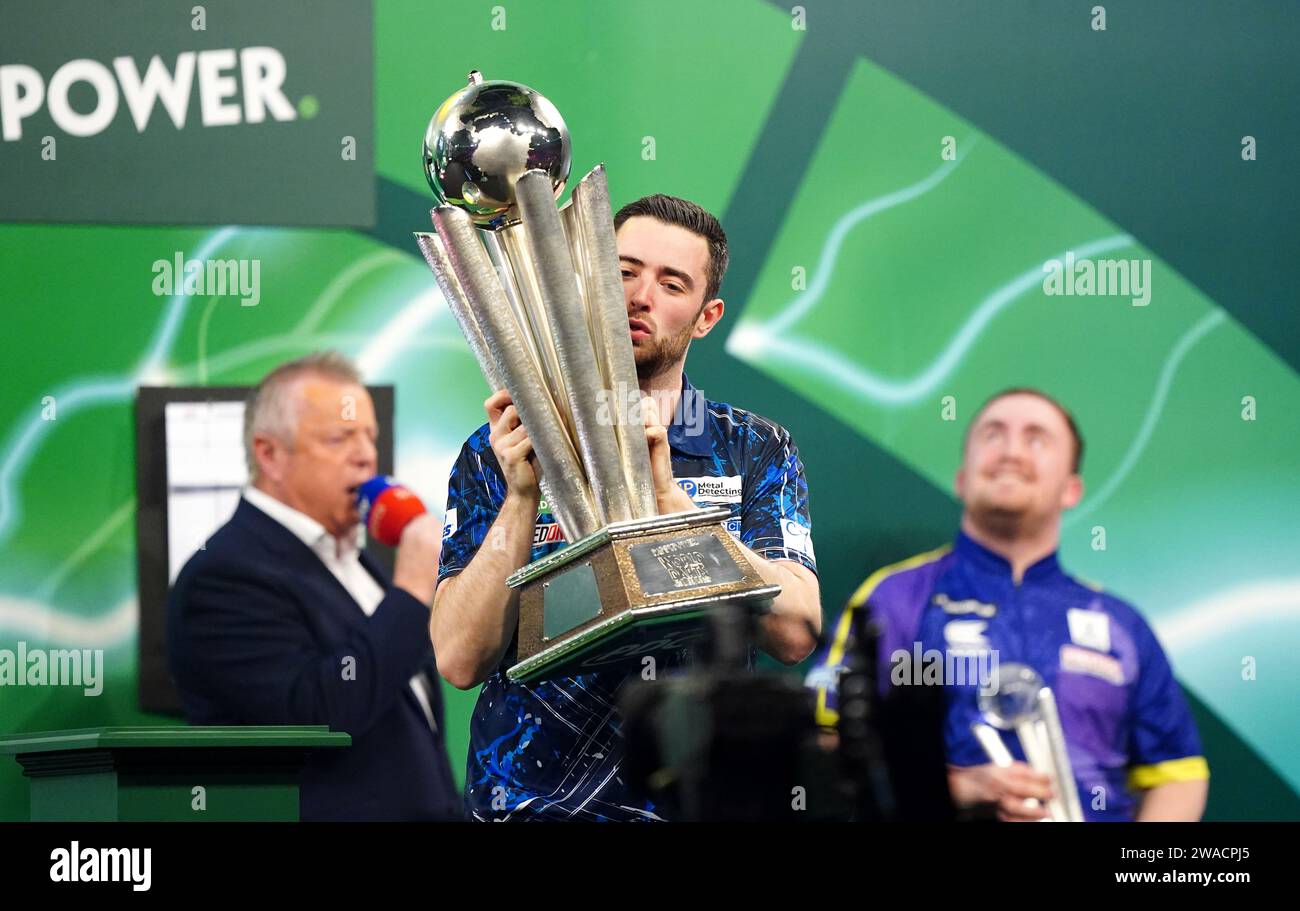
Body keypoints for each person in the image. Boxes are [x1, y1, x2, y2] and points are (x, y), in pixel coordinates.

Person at [433, 195, 823, 820]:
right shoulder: (498, 448)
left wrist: (672, 507)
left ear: (706, 316)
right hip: (529, 809)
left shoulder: (753, 446)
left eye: (672, 284)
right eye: (623, 271)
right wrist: (522, 499)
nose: (640, 296)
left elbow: (798, 631)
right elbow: (458, 658)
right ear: (587, 282)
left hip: (694, 802)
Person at [808, 389, 1208, 821]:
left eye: (1037, 439)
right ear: (962, 477)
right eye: (993, 436)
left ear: (1072, 489)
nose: (1012, 452)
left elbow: (1177, 774)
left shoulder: (1121, 626)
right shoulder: (894, 596)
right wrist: (952, 786)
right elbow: (824, 741)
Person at [167, 352, 461, 820]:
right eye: (340, 438)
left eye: (369, 436)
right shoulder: (222, 577)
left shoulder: (354, 559)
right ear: (270, 455)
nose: (366, 454)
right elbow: (315, 714)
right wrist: (409, 593)